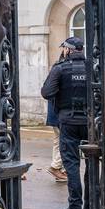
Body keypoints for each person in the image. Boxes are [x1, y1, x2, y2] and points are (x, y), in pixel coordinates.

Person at [40, 36, 87, 209]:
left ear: (68, 50)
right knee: (91, 162)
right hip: (90, 121)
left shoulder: (60, 68)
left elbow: (46, 92)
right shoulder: (92, 67)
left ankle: (75, 207)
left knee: (72, 165)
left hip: (68, 122)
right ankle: (92, 206)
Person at [46, 41, 69, 183]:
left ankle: (59, 168)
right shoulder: (61, 68)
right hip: (59, 111)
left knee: (58, 140)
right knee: (63, 140)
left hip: (55, 111)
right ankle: (56, 167)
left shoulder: (57, 67)